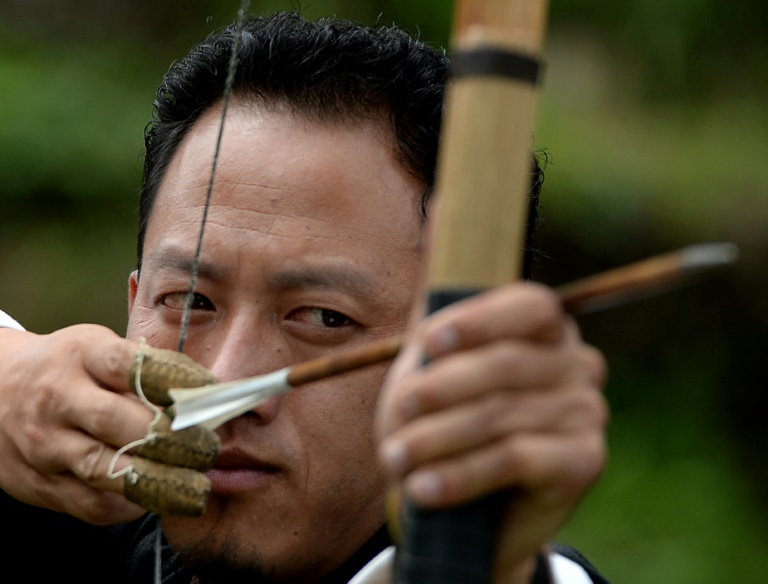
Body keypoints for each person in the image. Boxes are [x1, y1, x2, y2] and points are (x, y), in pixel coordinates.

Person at [0, 12, 608, 584]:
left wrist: (482, 556)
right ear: (133, 303)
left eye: (324, 317)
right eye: (190, 302)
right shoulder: (67, 510)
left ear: (467, 353)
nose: (225, 380)